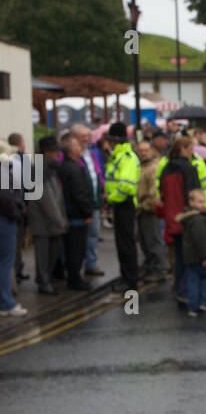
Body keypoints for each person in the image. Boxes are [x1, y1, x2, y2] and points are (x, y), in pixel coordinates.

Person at [155, 135, 201, 307]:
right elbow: (193, 196)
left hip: (172, 219)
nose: (192, 152)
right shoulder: (189, 169)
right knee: (192, 258)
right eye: (190, 148)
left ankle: (180, 290)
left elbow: (163, 196)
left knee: (179, 258)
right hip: (187, 219)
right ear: (183, 149)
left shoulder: (166, 168)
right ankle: (187, 292)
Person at [28, 136, 68, 295]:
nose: (58, 154)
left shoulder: (47, 167)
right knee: (44, 255)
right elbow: (46, 199)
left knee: (51, 253)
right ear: (46, 152)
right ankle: (43, 282)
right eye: (55, 151)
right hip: (43, 222)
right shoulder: (38, 169)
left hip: (50, 221)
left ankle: (46, 279)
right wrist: (59, 220)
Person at [104, 121, 140, 291]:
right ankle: (126, 276)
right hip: (119, 205)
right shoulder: (118, 156)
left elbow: (126, 186)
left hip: (123, 204)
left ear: (114, 141)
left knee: (126, 245)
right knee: (122, 244)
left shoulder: (126, 157)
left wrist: (110, 198)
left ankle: (130, 280)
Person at [57, 133, 93, 290]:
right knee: (76, 249)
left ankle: (72, 277)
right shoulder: (75, 168)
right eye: (78, 146)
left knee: (70, 248)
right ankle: (75, 280)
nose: (81, 149)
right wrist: (88, 213)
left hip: (67, 213)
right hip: (77, 215)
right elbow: (80, 194)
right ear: (72, 150)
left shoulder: (63, 166)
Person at [178, 188, 206, 318]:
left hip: (190, 258)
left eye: (204, 201)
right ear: (191, 202)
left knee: (192, 282)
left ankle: (192, 308)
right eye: (200, 202)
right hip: (200, 257)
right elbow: (201, 241)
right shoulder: (198, 220)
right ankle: (205, 303)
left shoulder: (188, 217)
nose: (203, 205)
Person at [72, 125, 105, 276]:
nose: (86, 139)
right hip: (78, 203)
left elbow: (99, 172)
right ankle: (75, 269)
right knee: (78, 238)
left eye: (88, 135)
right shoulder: (70, 155)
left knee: (93, 235)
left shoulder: (93, 152)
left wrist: (102, 189)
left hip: (95, 200)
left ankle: (91, 264)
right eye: (82, 136)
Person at [0, 140, 27, 316]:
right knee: (5, 262)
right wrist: (18, 211)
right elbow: (7, 198)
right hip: (4, 220)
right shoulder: (2, 171)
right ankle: (6, 303)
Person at [134, 140, 164, 281]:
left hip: (149, 209)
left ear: (151, 151)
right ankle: (150, 268)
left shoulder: (153, 167)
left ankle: (158, 270)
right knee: (144, 241)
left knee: (153, 241)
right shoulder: (140, 166)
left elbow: (153, 193)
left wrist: (142, 206)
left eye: (146, 150)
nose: (143, 153)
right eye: (141, 151)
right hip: (141, 209)